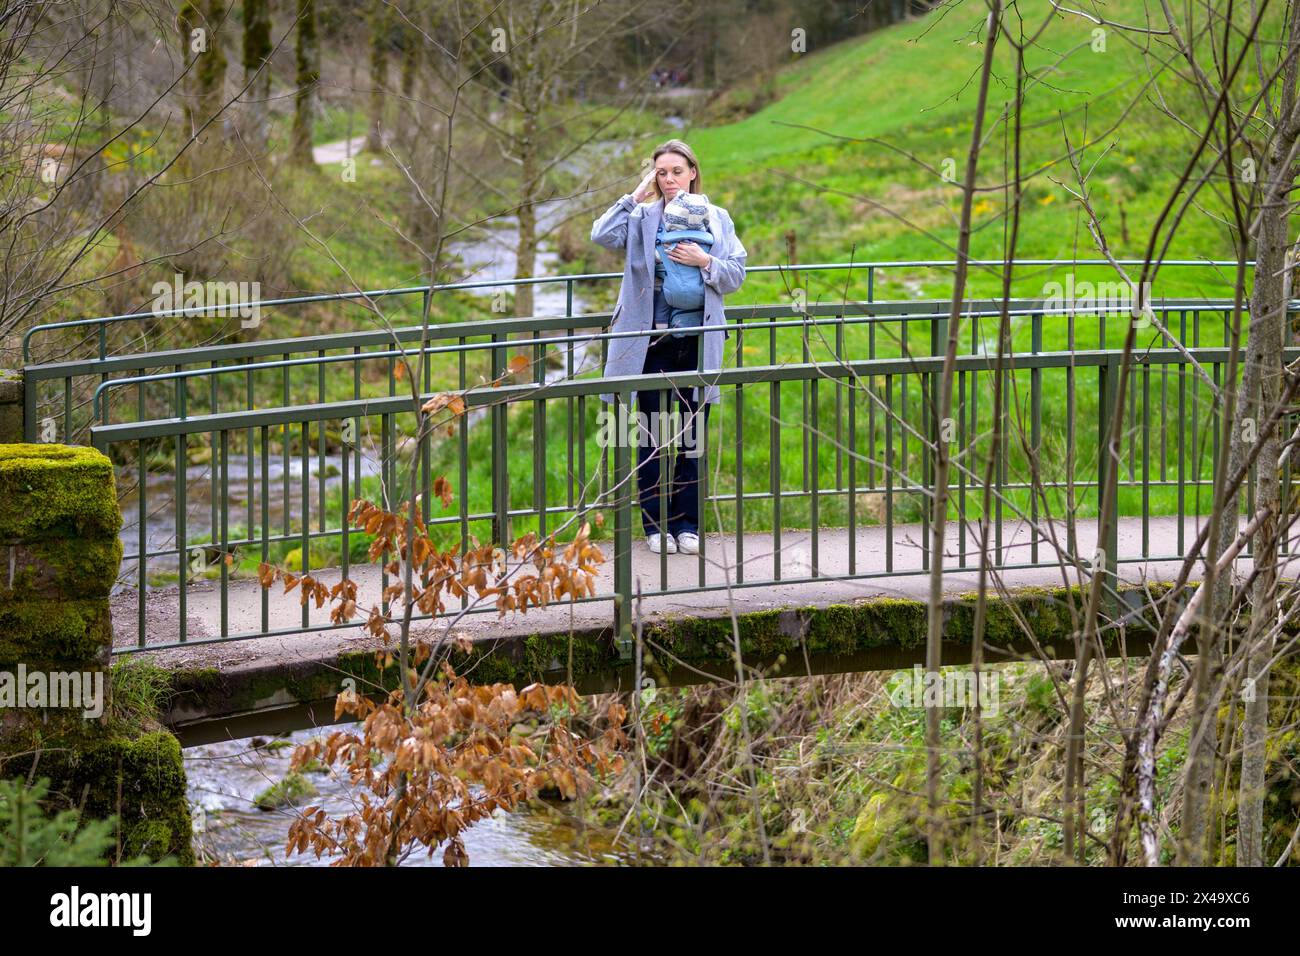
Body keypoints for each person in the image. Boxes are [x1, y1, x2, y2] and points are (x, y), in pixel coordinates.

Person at [590, 139, 747, 555]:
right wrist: (636, 194)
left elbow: (736, 274)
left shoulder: (717, 218)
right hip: (650, 343)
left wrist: (704, 261)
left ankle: (687, 525)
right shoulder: (643, 216)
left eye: (677, 171)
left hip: (698, 340)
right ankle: (655, 527)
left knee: (692, 437)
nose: (670, 179)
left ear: (693, 171)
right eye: (661, 172)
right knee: (651, 438)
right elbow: (601, 234)